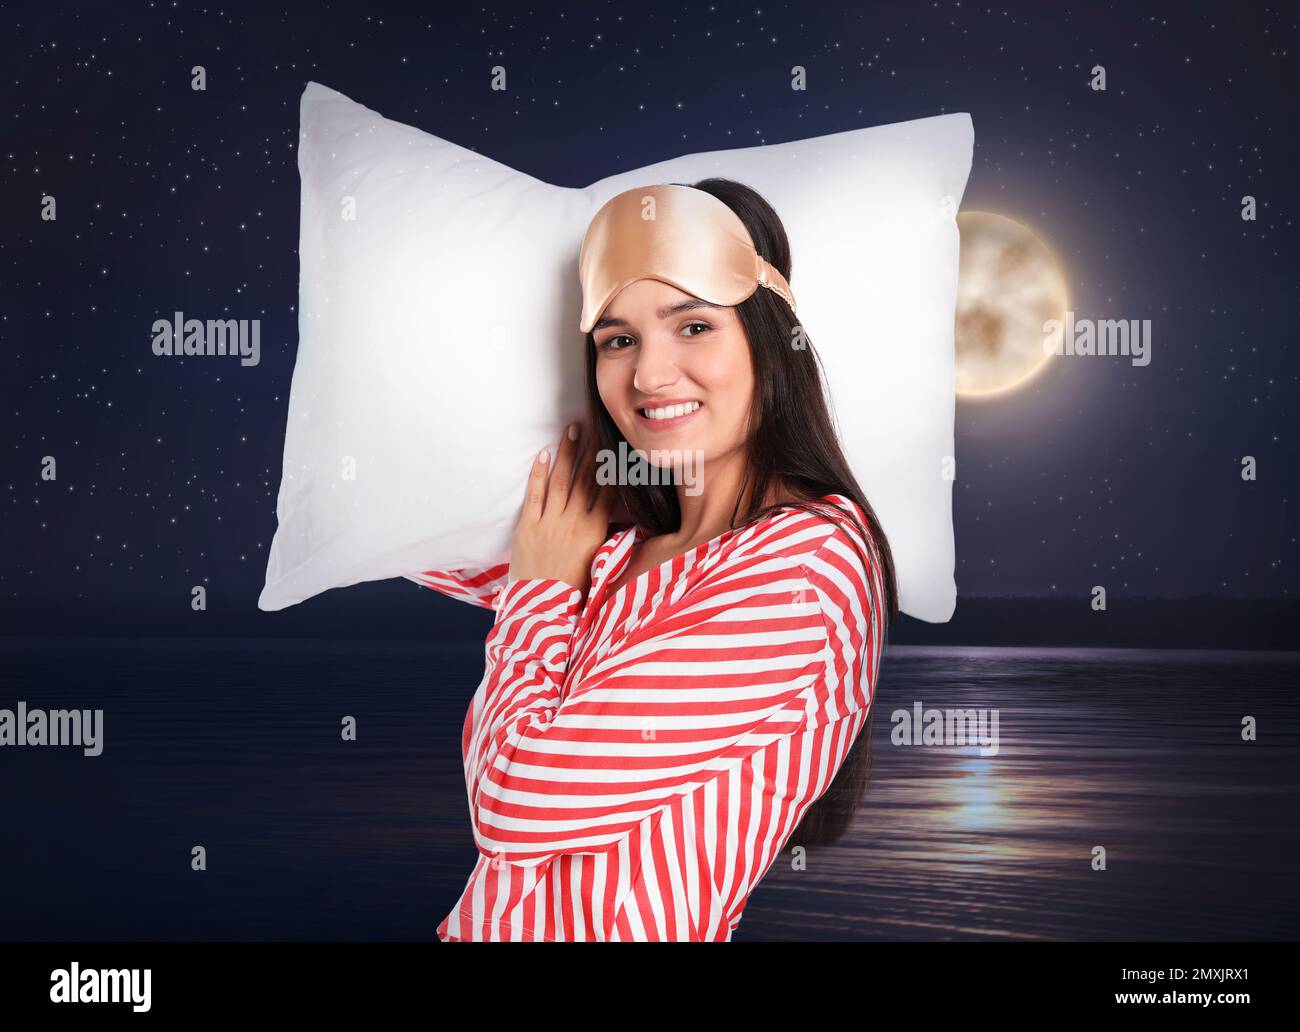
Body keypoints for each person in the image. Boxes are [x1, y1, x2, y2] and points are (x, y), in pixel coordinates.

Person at [414, 178, 899, 941]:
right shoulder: (617, 545)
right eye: (618, 339)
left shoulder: (809, 563)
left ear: (769, 343)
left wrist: (541, 589)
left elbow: (518, 804)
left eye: (694, 327)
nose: (648, 375)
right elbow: (416, 540)